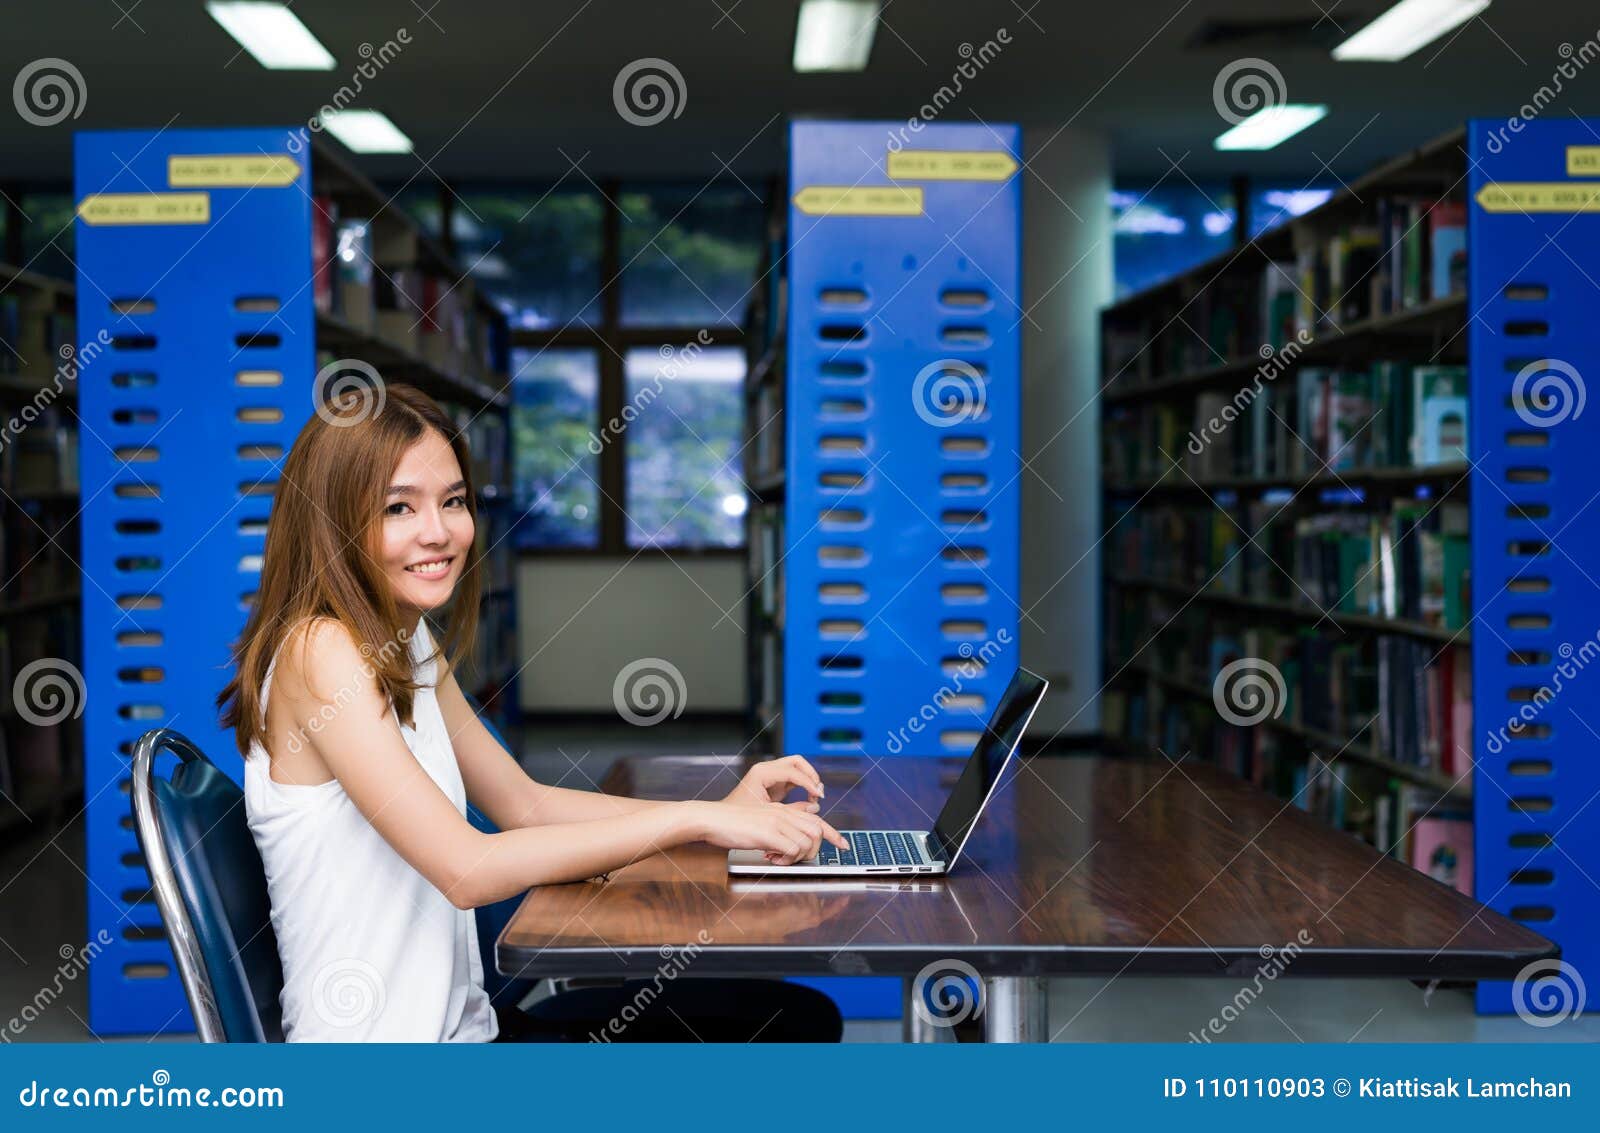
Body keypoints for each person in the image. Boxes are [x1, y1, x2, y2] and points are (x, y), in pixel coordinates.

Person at [216, 382, 847, 1042]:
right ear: (332, 520)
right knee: (788, 1031)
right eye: (397, 507)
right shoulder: (322, 649)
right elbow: (467, 868)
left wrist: (724, 820)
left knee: (790, 1015)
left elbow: (525, 804)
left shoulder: (405, 638)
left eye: (453, 500)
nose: (441, 532)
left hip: (474, 1034)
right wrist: (695, 816)